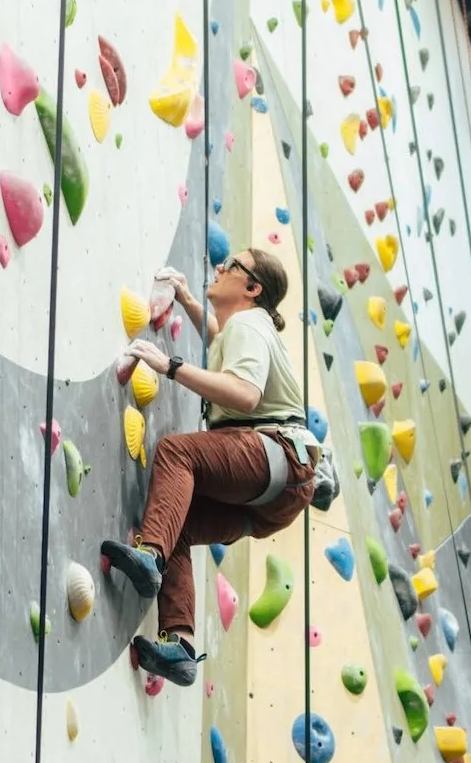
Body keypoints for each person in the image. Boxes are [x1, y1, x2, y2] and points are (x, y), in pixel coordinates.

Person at [101, 246, 319, 687]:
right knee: (175, 523)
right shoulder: (245, 329)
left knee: (177, 452)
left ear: (252, 288)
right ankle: (179, 646)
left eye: (231, 266)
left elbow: (243, 394)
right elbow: (220, 339)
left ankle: (149, 557)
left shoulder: (249, 324)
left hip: (275, 454)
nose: (219, 268)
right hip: (280, 490)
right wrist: (185, 298)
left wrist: (170, 366)